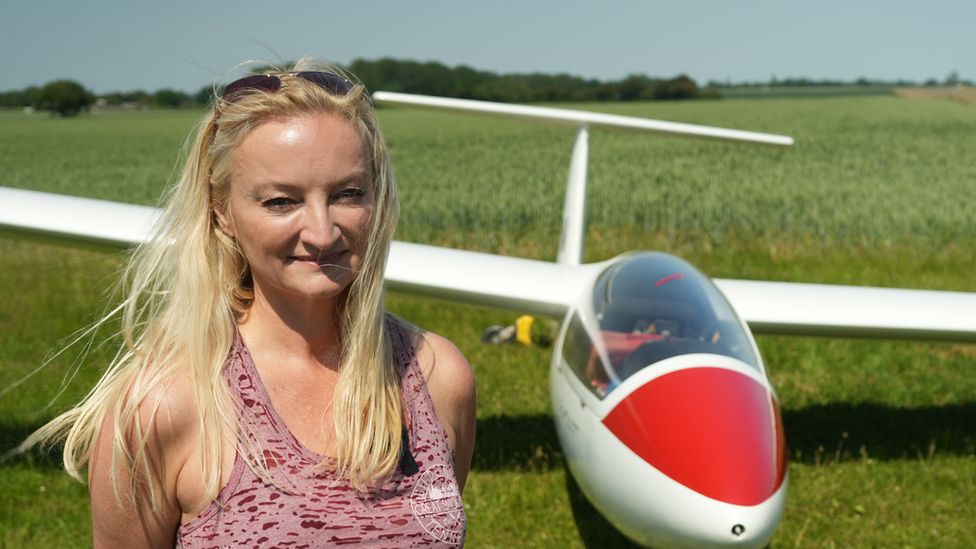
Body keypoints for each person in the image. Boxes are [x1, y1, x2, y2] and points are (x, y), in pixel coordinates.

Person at [24, 58, 476, 547]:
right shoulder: (164, 408)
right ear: (222, 211)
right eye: (281, 202)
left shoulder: (435, 377)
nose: (322, 232)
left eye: (348, 194)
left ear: (378, 199)